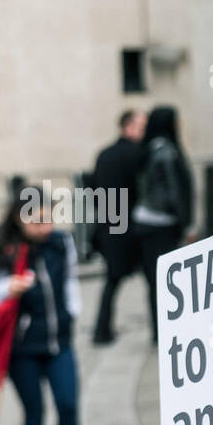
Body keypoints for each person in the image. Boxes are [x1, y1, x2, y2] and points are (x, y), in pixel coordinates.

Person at [0, 187, 86, 425]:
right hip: (23, 348)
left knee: (68, 405)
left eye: (48, 220)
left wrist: (72, 312)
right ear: (20, 219)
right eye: (37, 221)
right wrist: (8, 288)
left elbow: (70, 279)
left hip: (59, 341)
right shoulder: (5, 251)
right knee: (35, 412)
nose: (45, 227)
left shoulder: (61, 243)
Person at [133, 105, 194, 344]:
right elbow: (174, 191)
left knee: (154, 280)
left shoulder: (147, 148)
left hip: (144, 221)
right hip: (162, 224)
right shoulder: (166, 150)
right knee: (168, 281)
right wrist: (186, 223)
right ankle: (168, 330)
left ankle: (159, 331)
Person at [90, 109, 146, 344]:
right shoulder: (137, 154)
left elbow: (94, 192)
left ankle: (102, 330)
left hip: (110, 226)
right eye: (141, 126)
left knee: (112, 280)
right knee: (154, 279)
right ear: (129, 127)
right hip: (134, 228)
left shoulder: (104, 154)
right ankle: (161, 329)